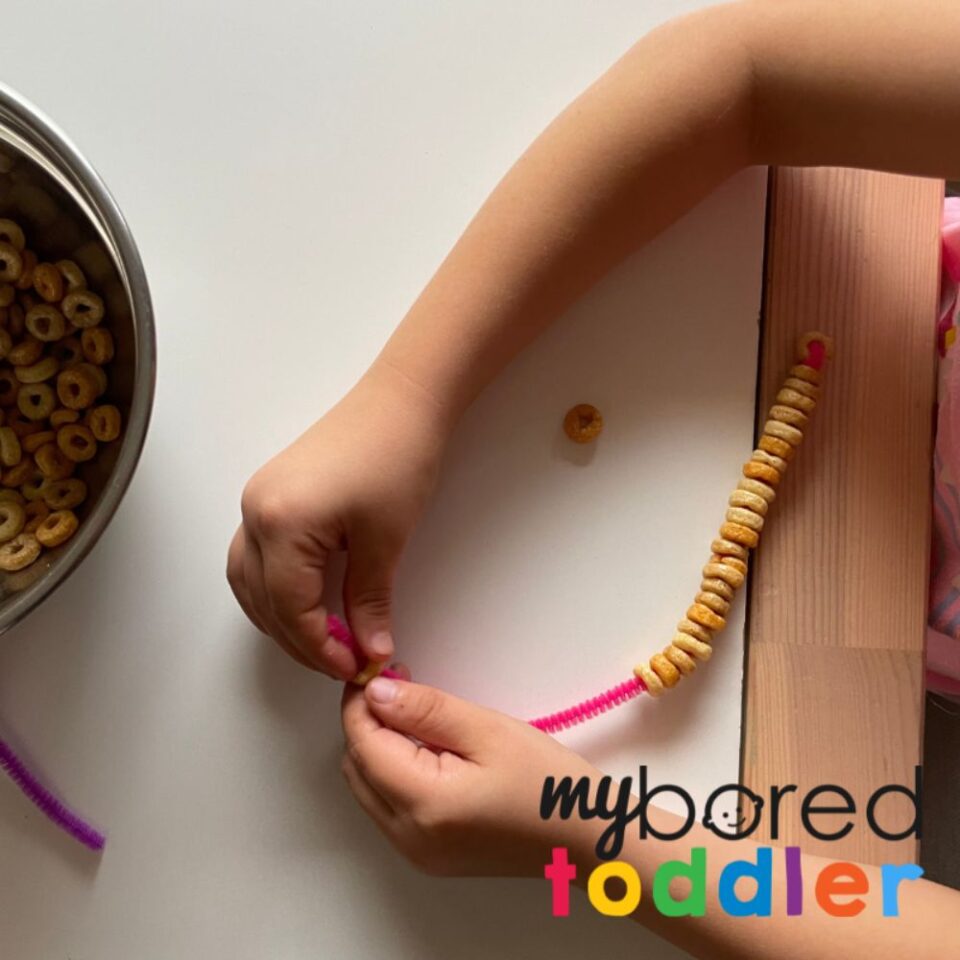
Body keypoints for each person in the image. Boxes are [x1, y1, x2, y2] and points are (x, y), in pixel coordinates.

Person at [226, 1, 960, 953]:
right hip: (893, 318)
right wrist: (405, 396)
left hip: (872, 672)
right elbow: (745, 76)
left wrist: (602, 845)